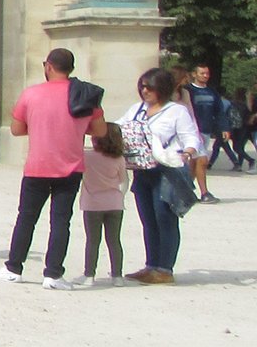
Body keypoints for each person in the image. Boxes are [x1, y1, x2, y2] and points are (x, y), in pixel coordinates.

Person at [0, 48, 104, 290]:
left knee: (26, 218)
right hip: (71, 166)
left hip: (38, 166)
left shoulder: (31, 94)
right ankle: (53, 273)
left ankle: (14, 267)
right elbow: (100, 130)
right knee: (61, 221)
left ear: (48, 66)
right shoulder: (84, 95)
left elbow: (16, 129)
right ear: (71, 69)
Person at [120, 67, 203, 284]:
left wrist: (187, 152)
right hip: (142, 170)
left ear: (162, 88)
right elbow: (119, 128)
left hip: (166, 171)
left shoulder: (177, 111)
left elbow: (191, 137)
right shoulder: (136, 109)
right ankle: (151, 265)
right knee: (148, 220)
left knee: (164, 218)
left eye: (150, 87)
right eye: (142, 86)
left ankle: (165, 268)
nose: (144, 91)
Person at [81, 123, 129, 285]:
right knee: (114, 240)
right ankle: (117, 276)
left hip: (92, 203)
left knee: (93, 240)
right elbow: (124, 182)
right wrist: (119, 196)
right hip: (115, 202)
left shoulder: (87, 156)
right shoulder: (119, 158)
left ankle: (89, 275)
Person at [187, 64, 237, 194]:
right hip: (193, 131)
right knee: (202, 161)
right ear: (194, 74)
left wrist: (224, 128)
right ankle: (204, 193)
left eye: (207, 73)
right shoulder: (188, 90)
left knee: (194, 162)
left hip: (206, 130)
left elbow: (219, 111)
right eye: (202, 73)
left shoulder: (212, 92)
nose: (205, 76)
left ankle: (186, 191)